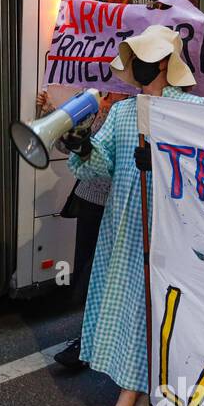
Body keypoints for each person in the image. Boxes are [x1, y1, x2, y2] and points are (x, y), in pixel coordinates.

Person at [65, 25, 204, 406]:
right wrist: (85, 148)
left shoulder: (194, 109)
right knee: (132, 311)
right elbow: (97, 168)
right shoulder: (125, 112)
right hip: (124, 228)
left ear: (165, 61)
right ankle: (144, 400)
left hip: (168, 234)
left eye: (142, 57)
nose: (136, 66)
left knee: (147, 313)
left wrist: (165, 165)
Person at [37, 88, 129, 371]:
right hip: (91, 200)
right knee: (87, 272)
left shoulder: (127, 108)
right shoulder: (95, 102)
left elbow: (109, 158)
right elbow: (69, 148)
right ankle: (88, 339)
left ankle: (91, 344)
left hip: (118, 203)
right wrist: (54, 116)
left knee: (103, 275)